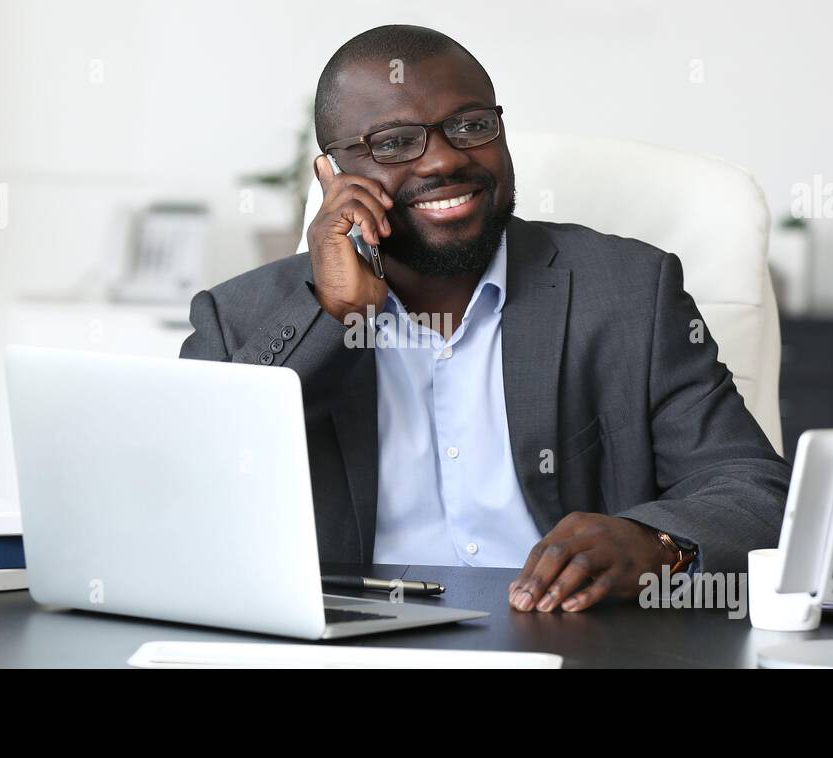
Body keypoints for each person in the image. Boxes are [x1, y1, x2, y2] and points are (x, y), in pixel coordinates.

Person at [180, 24, 790, 613]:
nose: (444, 160)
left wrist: (655, 543)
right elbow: (187, 497)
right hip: (344, 649)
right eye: (394, 142)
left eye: (471, 126)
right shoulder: (238, 317)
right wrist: (331, 312)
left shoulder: (630, 290)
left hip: (569, 639)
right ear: (331, 174)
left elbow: (752, 490)